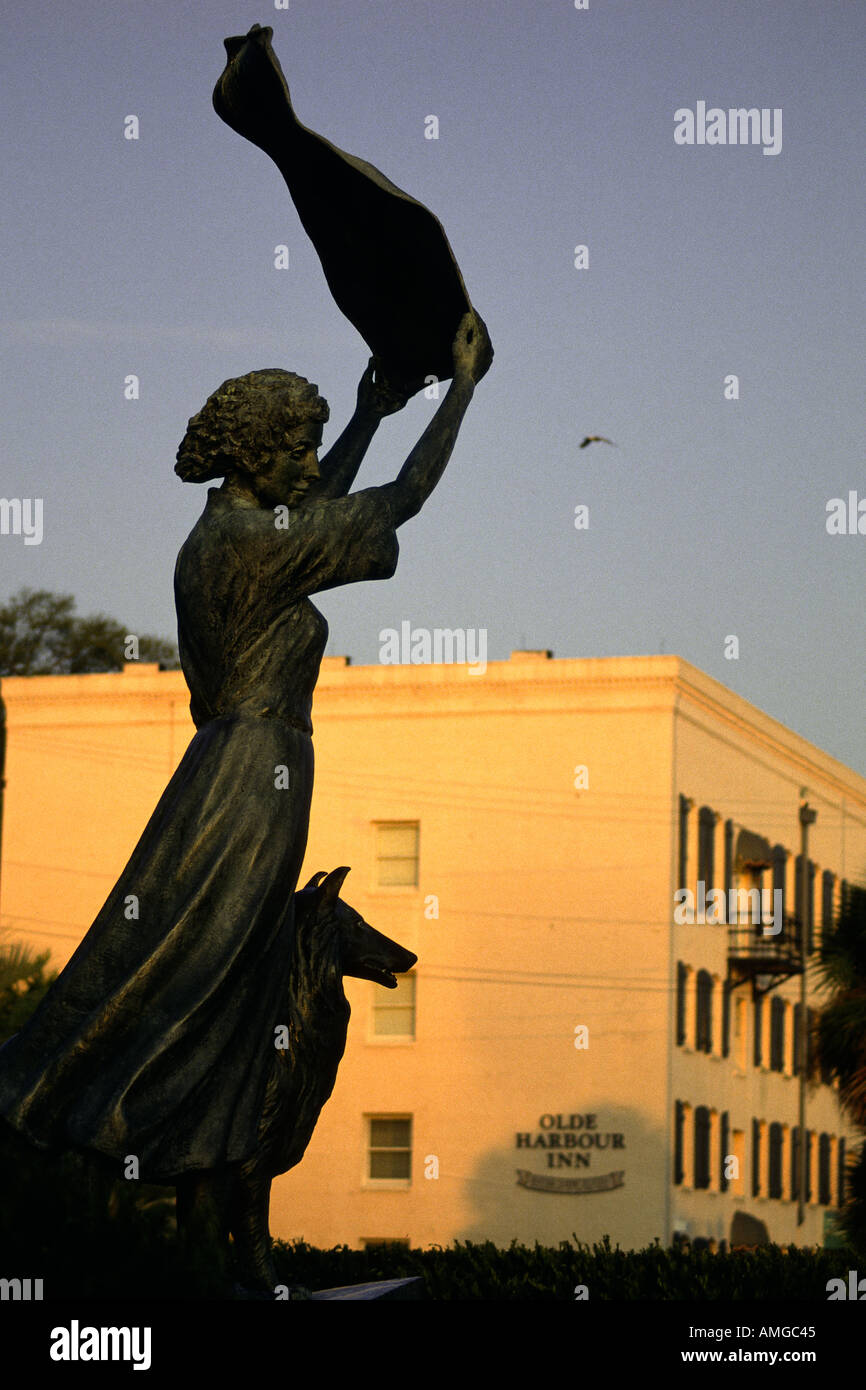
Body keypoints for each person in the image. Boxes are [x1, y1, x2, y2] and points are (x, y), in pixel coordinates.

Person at [0, 312, 492, 1184]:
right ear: (253, 457)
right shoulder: (237, 545)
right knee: (204, 974)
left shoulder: (233, 534)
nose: (308, 468)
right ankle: (87, 1123)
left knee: (227, 978)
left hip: (246, 769)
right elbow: (391, 504)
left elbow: (311, 515)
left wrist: (370, 415)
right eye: (296, 451)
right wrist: (461, 389)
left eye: (310, 451)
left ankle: (192, 1192)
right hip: (249, 782)